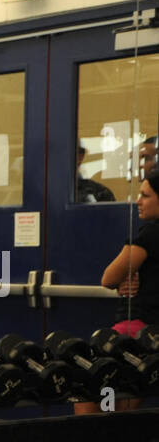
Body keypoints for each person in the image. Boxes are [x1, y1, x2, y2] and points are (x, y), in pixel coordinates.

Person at [84, 167, 159, 414]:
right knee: (124, 402)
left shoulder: (150, 234)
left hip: (141, 331)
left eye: (146, 195)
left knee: (87, 392)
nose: (138, 201)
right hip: (147, 335)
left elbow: (109, 277)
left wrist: (128, 275)